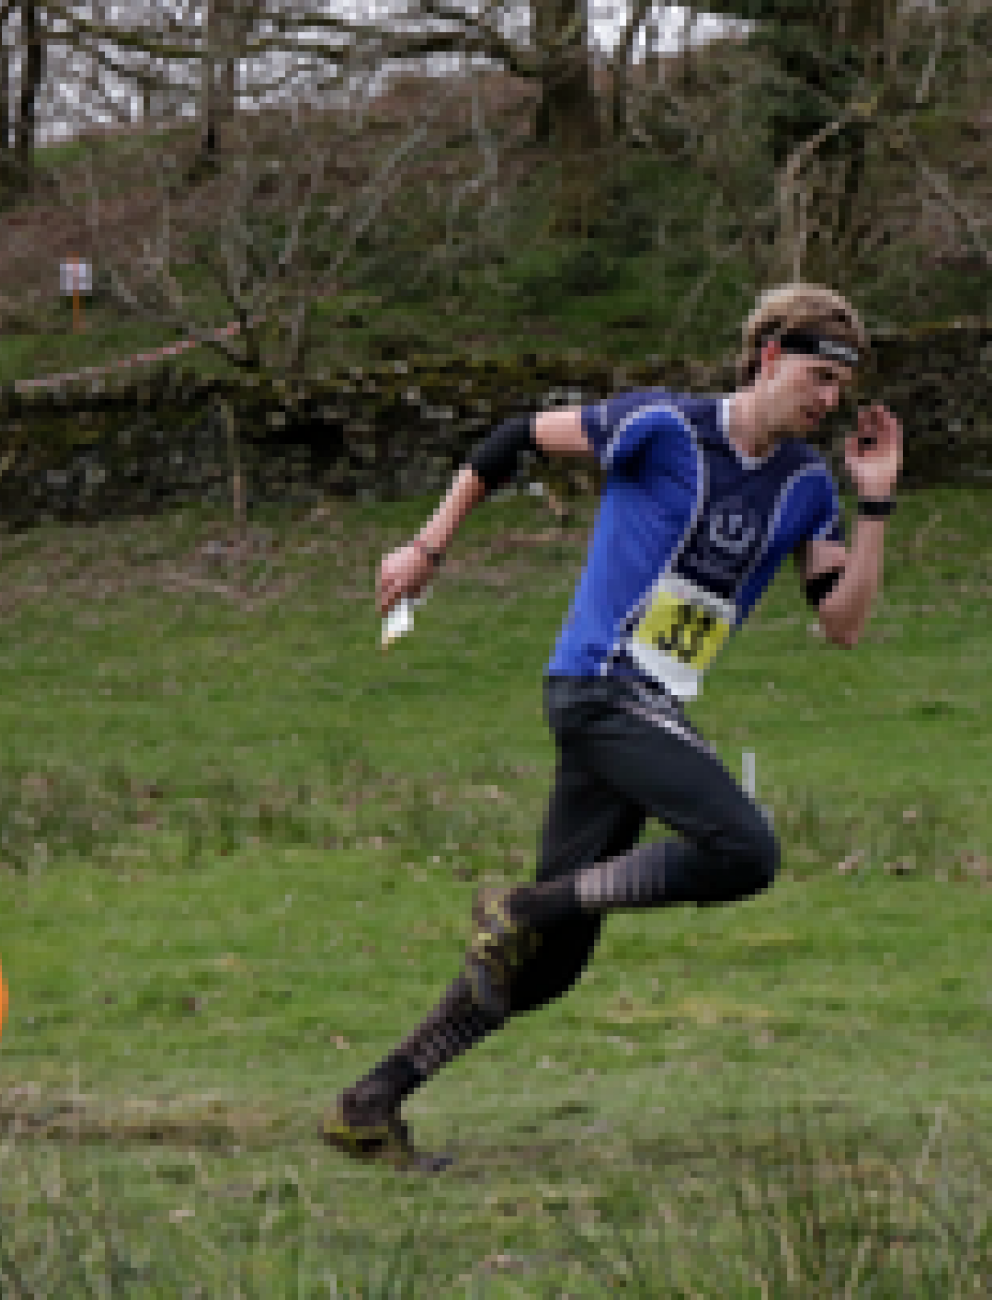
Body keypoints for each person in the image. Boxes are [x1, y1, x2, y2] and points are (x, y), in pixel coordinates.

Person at [320, 283, 904, 1170]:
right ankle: (524, 905)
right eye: (817, 378)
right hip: (596, 688)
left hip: (649, 712)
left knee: (547, 966)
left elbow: (844, 622)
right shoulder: (660, 427)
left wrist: (874, 503)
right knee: (744, 851)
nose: (828, 403)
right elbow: (512, 439)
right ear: (770, 357)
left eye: (839, 389)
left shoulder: (803, 488)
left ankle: (371, 1102)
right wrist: (429, 546)